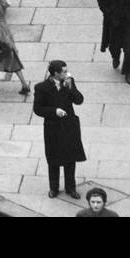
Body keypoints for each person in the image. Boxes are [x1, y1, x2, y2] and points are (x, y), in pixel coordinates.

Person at [33, 60, 86, 199]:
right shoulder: (41, 88)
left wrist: (71, 87)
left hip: (69, 126)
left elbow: (79, 100)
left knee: (70, 158)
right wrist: (54, 111)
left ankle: (71, 187)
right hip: (53, 128)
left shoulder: (68, 82)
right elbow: (37, 109)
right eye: (63, 71)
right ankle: (54, 187)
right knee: (53, 159)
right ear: (55, 73)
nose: (67, 73)